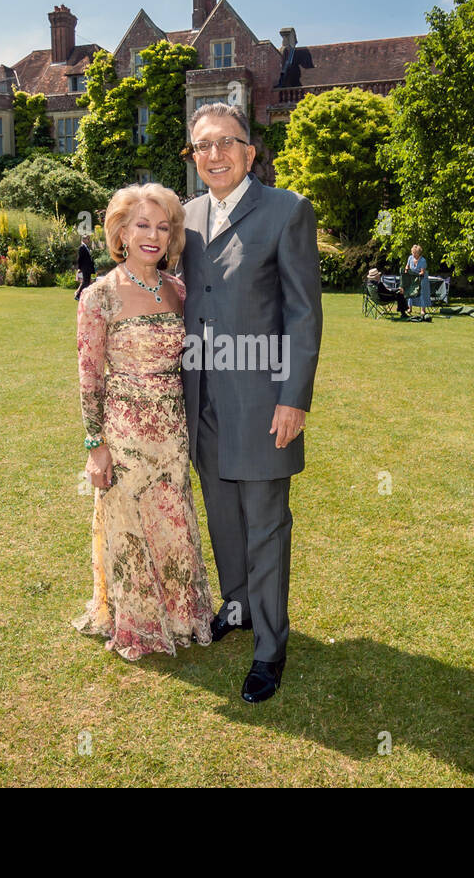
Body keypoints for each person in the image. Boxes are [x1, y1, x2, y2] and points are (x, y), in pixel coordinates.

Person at [180, 102, 323, 703]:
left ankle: (270, 646)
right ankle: (235, 608)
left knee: (266, 526)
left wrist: (294, 398)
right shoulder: (183, 216)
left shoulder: (287, 211)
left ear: (249, 151)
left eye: (225, 144)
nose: (213, 155)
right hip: (203, 401)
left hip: (266, 404)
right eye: (201, 147)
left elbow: (303, 313)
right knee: (225, 520)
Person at [72, 183, 214, 660]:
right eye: (142, 225)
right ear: (122, 231)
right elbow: (90, 378)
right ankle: (138, 623)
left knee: (173, 525)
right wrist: (96, 446)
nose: (153, 235)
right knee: (130, 529)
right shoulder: (99, 297)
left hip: (173, 431)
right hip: (125, 433)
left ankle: (180, 617)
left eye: (162, 226)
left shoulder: (179, 290)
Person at [406, 244, 431, 321]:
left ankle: (422, 310)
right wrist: (406, 270)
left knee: (422, 293)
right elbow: (407, 266)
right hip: (412, 278)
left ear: (419, 253)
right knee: (410, 292)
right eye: (412, 252)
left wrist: (416, 276)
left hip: (422, 279)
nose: (413, 254)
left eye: (415, 253)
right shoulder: (410, 258)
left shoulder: (423, 260)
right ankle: (409, 309)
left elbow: (422, 272)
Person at [75, 235, 95, 300]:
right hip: (85, 268)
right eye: (87, 239)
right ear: (83, 240)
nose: (89, 240)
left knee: (90, 281)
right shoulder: (82, 247)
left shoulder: (87, 247)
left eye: (89, 239)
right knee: (85, 282)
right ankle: (78, 296)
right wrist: (79, 268)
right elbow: (79, 259)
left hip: (90, 268)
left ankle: (87, 296)